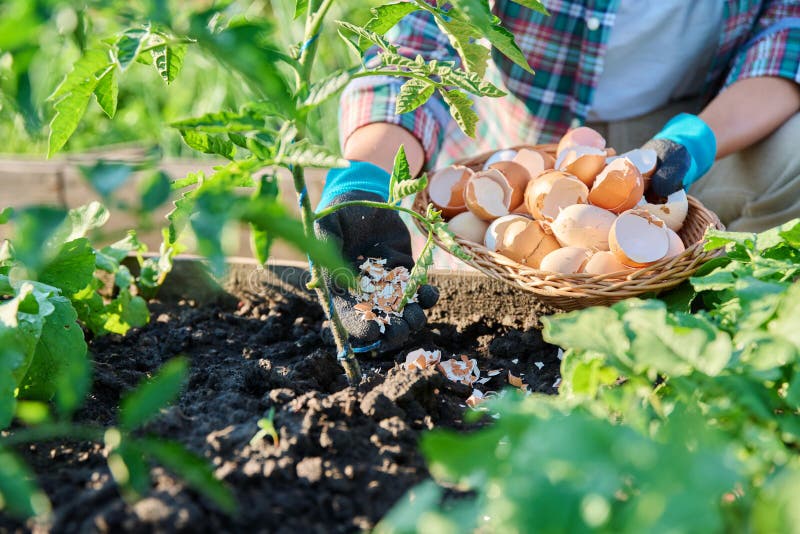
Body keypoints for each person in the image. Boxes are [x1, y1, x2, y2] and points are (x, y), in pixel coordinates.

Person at [315, 1, 800, 350]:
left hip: (706, 114)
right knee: (505, 278)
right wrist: (365, 177)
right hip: (527, 156)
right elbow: (420, 33)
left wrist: (693, 141)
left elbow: (786, 28)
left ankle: (723, 324)